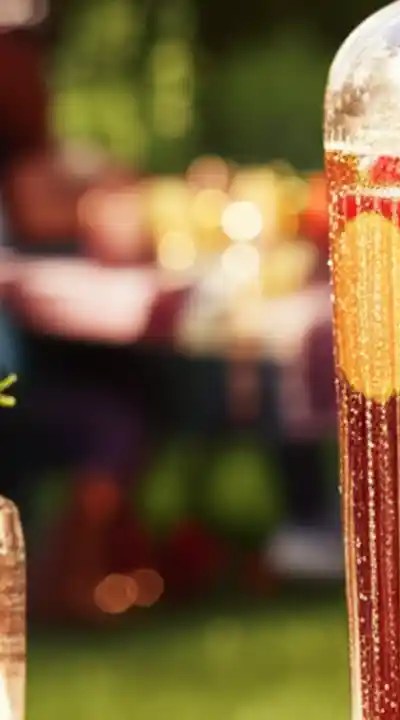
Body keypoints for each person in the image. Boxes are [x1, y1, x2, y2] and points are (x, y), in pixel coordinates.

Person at [0, 19, 149, 621]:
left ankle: (78, 569)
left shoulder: (32, 158)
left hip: (33, 362)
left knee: (134, 391)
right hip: (10, 384)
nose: (37, 79)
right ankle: (67, 579)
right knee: (114, 417)